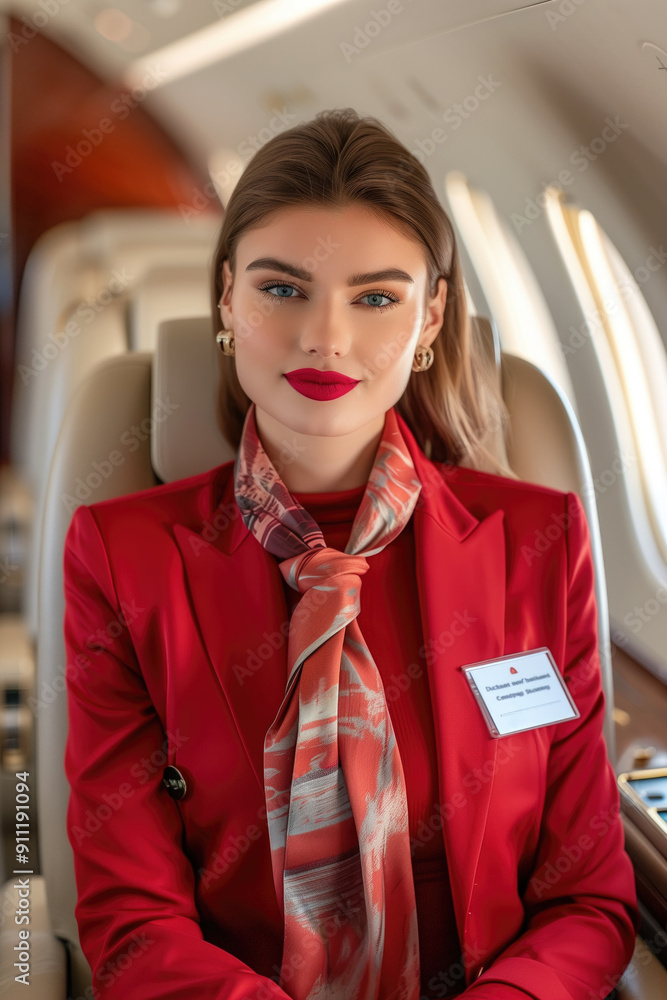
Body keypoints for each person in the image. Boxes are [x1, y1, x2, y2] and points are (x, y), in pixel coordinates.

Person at [63, 107, 639, 1000]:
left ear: (432, 315)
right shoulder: (120, 556)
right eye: (281, 289)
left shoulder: (540, 541)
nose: (324, 338)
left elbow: (587, 899)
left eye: (375, 298)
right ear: (225, 298)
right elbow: (132, 921)